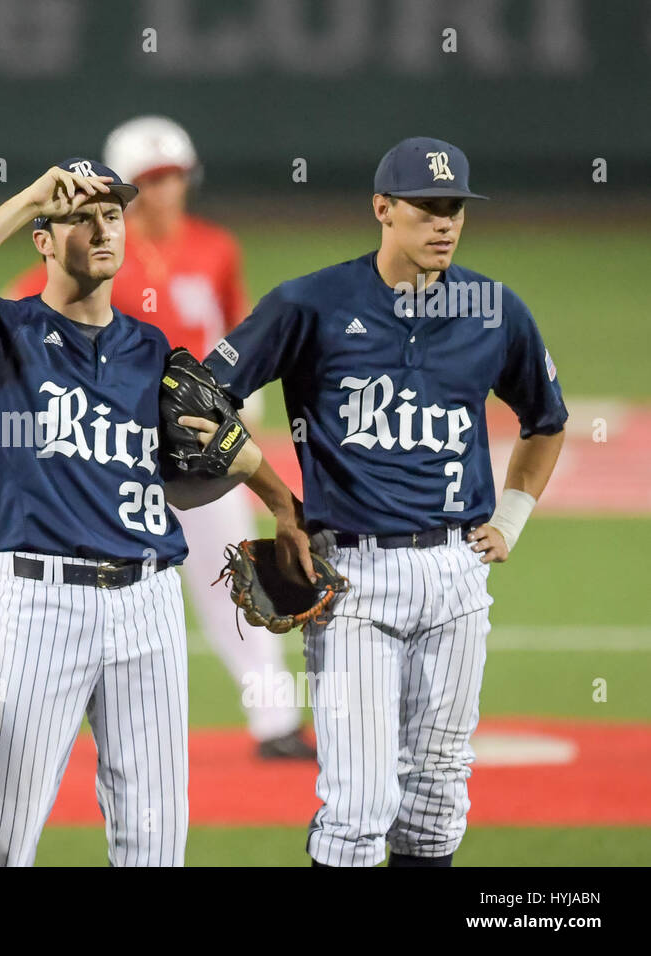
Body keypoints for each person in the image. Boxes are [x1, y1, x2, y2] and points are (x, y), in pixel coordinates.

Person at [0, 158, 313, 866]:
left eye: (114, 214)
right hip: (43, 606)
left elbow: (208, 453)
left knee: (155, 841)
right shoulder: (6, 333)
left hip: (149, 604)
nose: (104, 228)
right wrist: (33, 196)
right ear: (43, 238)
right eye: (81, 215)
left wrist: (281, 501)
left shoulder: (150, 348)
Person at [205, 137, 567, 867]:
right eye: (427, 208)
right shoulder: (311, 304)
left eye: (455, 209)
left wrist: (511, 520)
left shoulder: (493, 311)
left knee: (435, 807)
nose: (445, 224)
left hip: (458, 576)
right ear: (382, 209)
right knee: (360, 808)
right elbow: (199, 397)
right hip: (353, 584)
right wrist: (277, 499)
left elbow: (546, 420)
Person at [8, 117, 312, 759]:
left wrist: (243, 403)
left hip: (198, 441)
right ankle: (78, 727)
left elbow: (239, 324)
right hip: (106, 451)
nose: (165, 188)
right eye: (150, 179)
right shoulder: (85, 253)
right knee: (117, 578)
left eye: (172, 175)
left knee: (237, 574)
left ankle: (275, 720)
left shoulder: (215, 247)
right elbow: (17, 318)